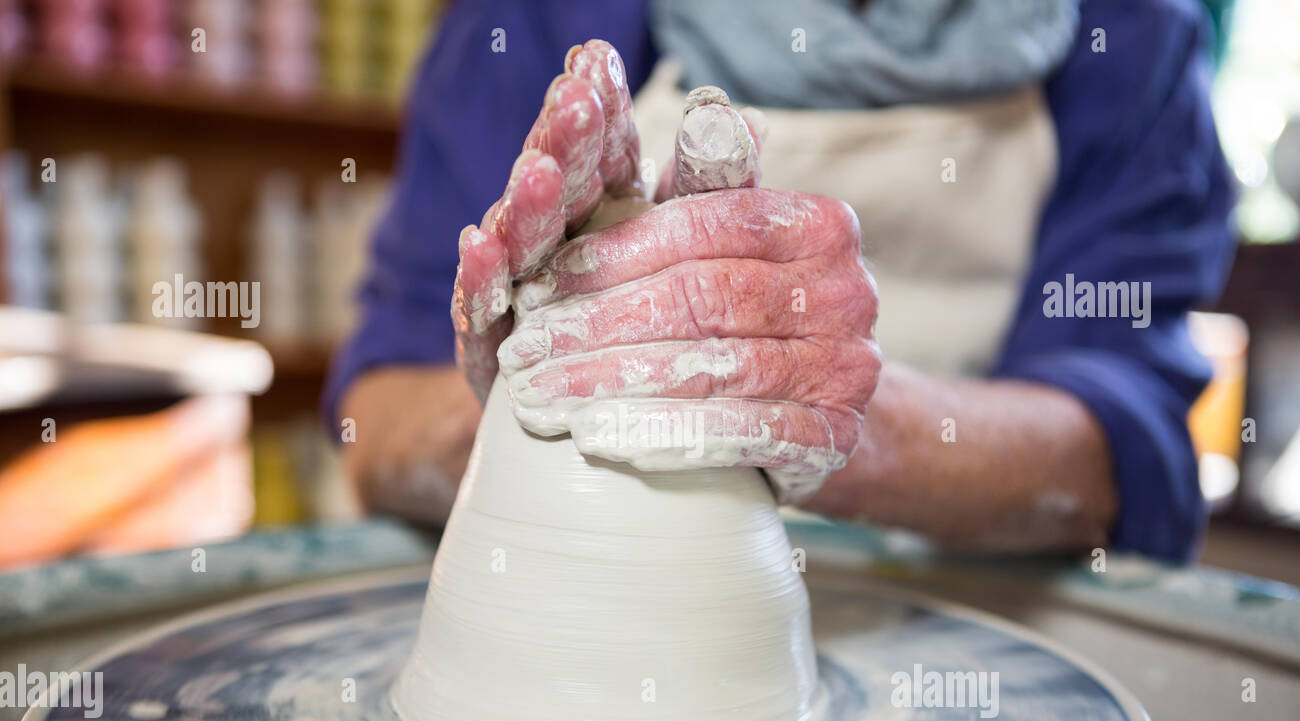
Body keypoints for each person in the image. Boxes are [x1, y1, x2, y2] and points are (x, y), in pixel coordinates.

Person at [325, 0, 1236, 561]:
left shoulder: (1129, 34)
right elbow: (377, 425)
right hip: (576, 656)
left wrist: (814, 413)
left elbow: (1128, 451)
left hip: (944, 635)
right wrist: (530, 395)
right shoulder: (533, 17)